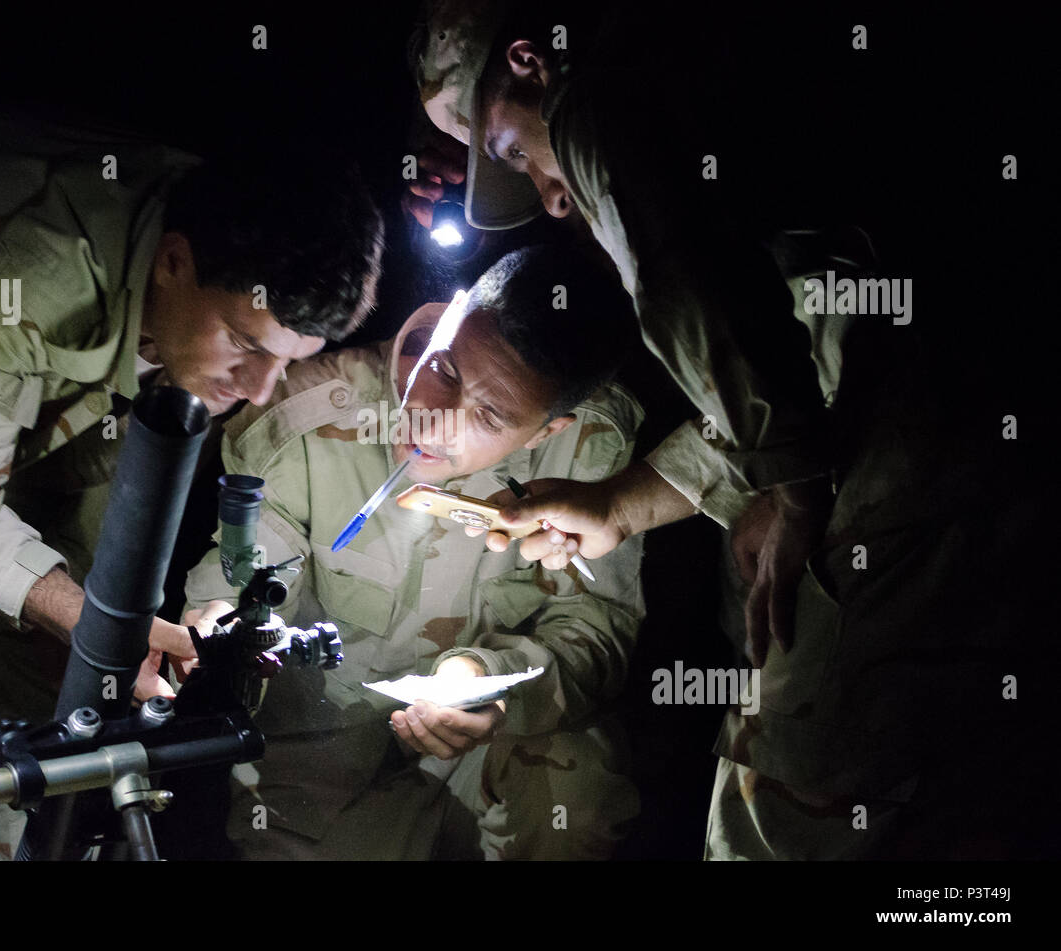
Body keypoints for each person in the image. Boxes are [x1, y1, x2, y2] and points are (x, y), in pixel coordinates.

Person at [411, 2, 1052, 858]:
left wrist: (790, 493)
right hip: (942, 477)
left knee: (791, 806)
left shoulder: (601, 94)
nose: (551, 195)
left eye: (512, 153)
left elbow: (695, 298)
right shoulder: (726, 110)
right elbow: (783, 359)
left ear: (528, 62)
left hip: (916, 486)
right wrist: (619, 506)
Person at [0, 98, 384, 858]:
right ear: (174, 262)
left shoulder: (228, 270)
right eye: (245, 345)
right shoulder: (35, 261)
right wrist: (102, 624)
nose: (259, 387)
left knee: (53, 722)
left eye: (287, 358)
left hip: (67, 386)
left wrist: (106, 630)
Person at [184, 246, 647, 859]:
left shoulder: (588, 450)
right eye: (448, 370)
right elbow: (244, 569)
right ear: (449, 318)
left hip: (487, 745)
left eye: (488, 415)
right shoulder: (304, 415)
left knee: (578, 792)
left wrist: (489, 683)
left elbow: (596, 629)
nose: (436, 418)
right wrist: (217, 626)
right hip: (315, 750)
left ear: (545, 432)